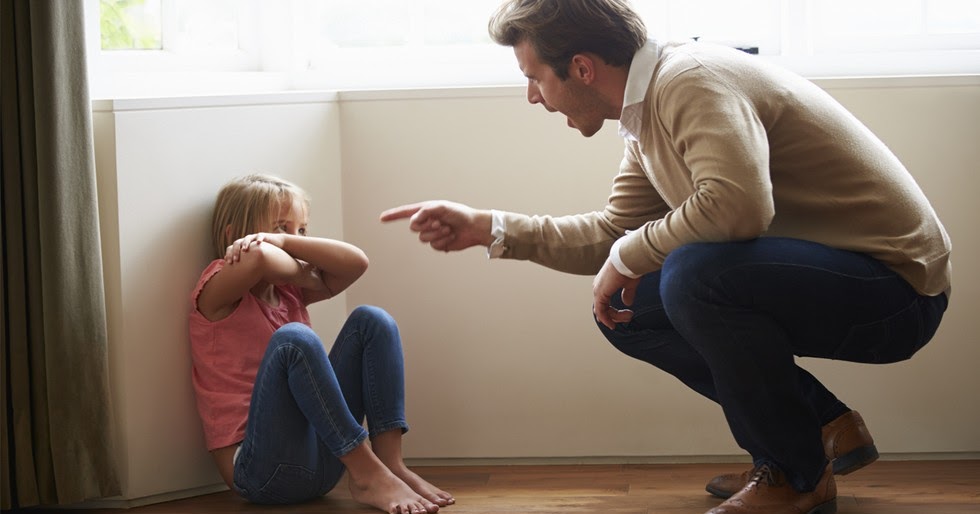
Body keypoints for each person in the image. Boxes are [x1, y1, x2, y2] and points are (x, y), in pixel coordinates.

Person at [379, 1, 951, 513]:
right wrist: (489, 227)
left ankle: (795, 476)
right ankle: (816, 434)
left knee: (692, 275)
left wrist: (631, 253)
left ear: (581, 67)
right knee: (630, 311)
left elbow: (736, 208)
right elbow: (613, 232)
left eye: (533, 78)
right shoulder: (645, 111)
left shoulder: (690, 81)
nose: (532, 96)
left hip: (897, 291)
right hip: (840, 278)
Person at [188, 174, 454, 514]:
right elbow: (259, 260)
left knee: (373, 321)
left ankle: (389, 467)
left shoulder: (288, 293)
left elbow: (357, 261)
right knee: (295, 340)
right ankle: (369, 473)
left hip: (324, 464)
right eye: (280, 228)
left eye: (301, 231)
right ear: (232, 236)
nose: (293, 240)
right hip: (260, 472)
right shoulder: (216, 290)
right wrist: (299, 267)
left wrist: (279, 242)